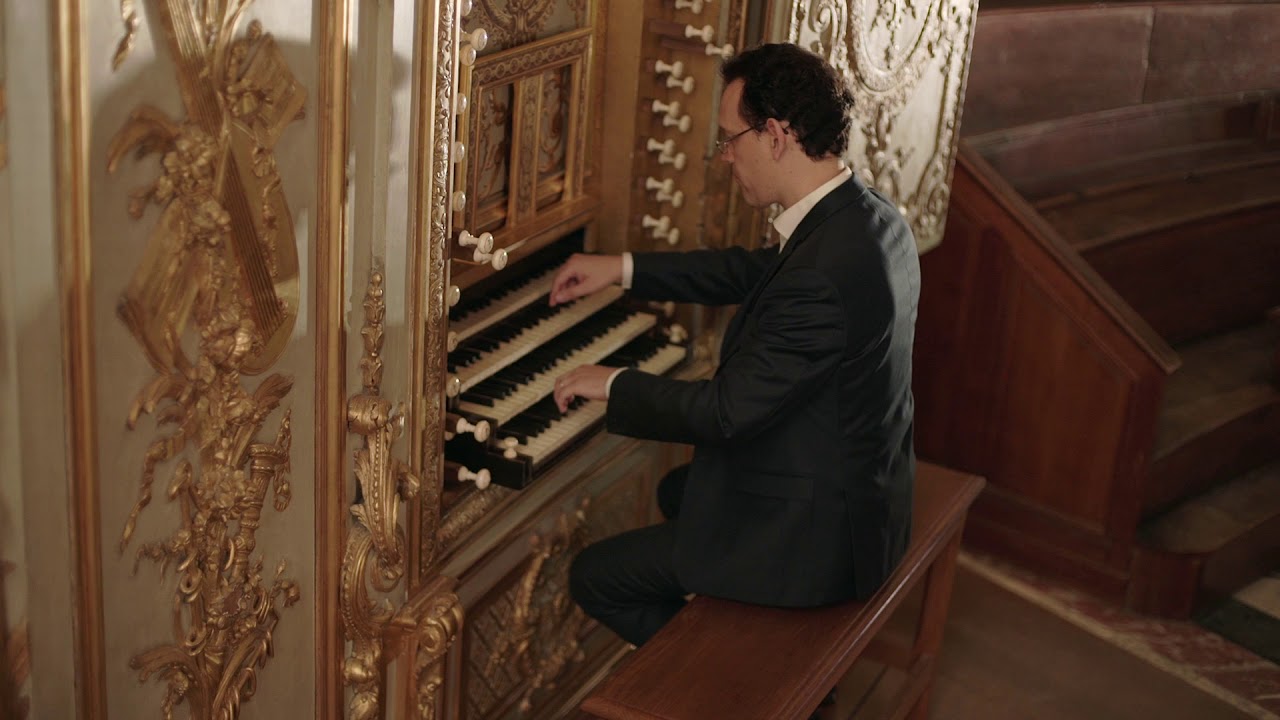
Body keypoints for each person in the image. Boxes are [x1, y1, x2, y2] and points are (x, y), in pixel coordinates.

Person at [549, 42, 919, 648]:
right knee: (677, 492)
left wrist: (613, 382)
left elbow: (725, 413)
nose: (724, 157)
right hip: (863, 486)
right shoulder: (867, 215)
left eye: (729, 140)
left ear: (774, 135)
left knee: (595, 576)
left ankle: (713, 683)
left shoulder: (822, 276)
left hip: (818, 538)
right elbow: (753, 272)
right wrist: (622, 268)